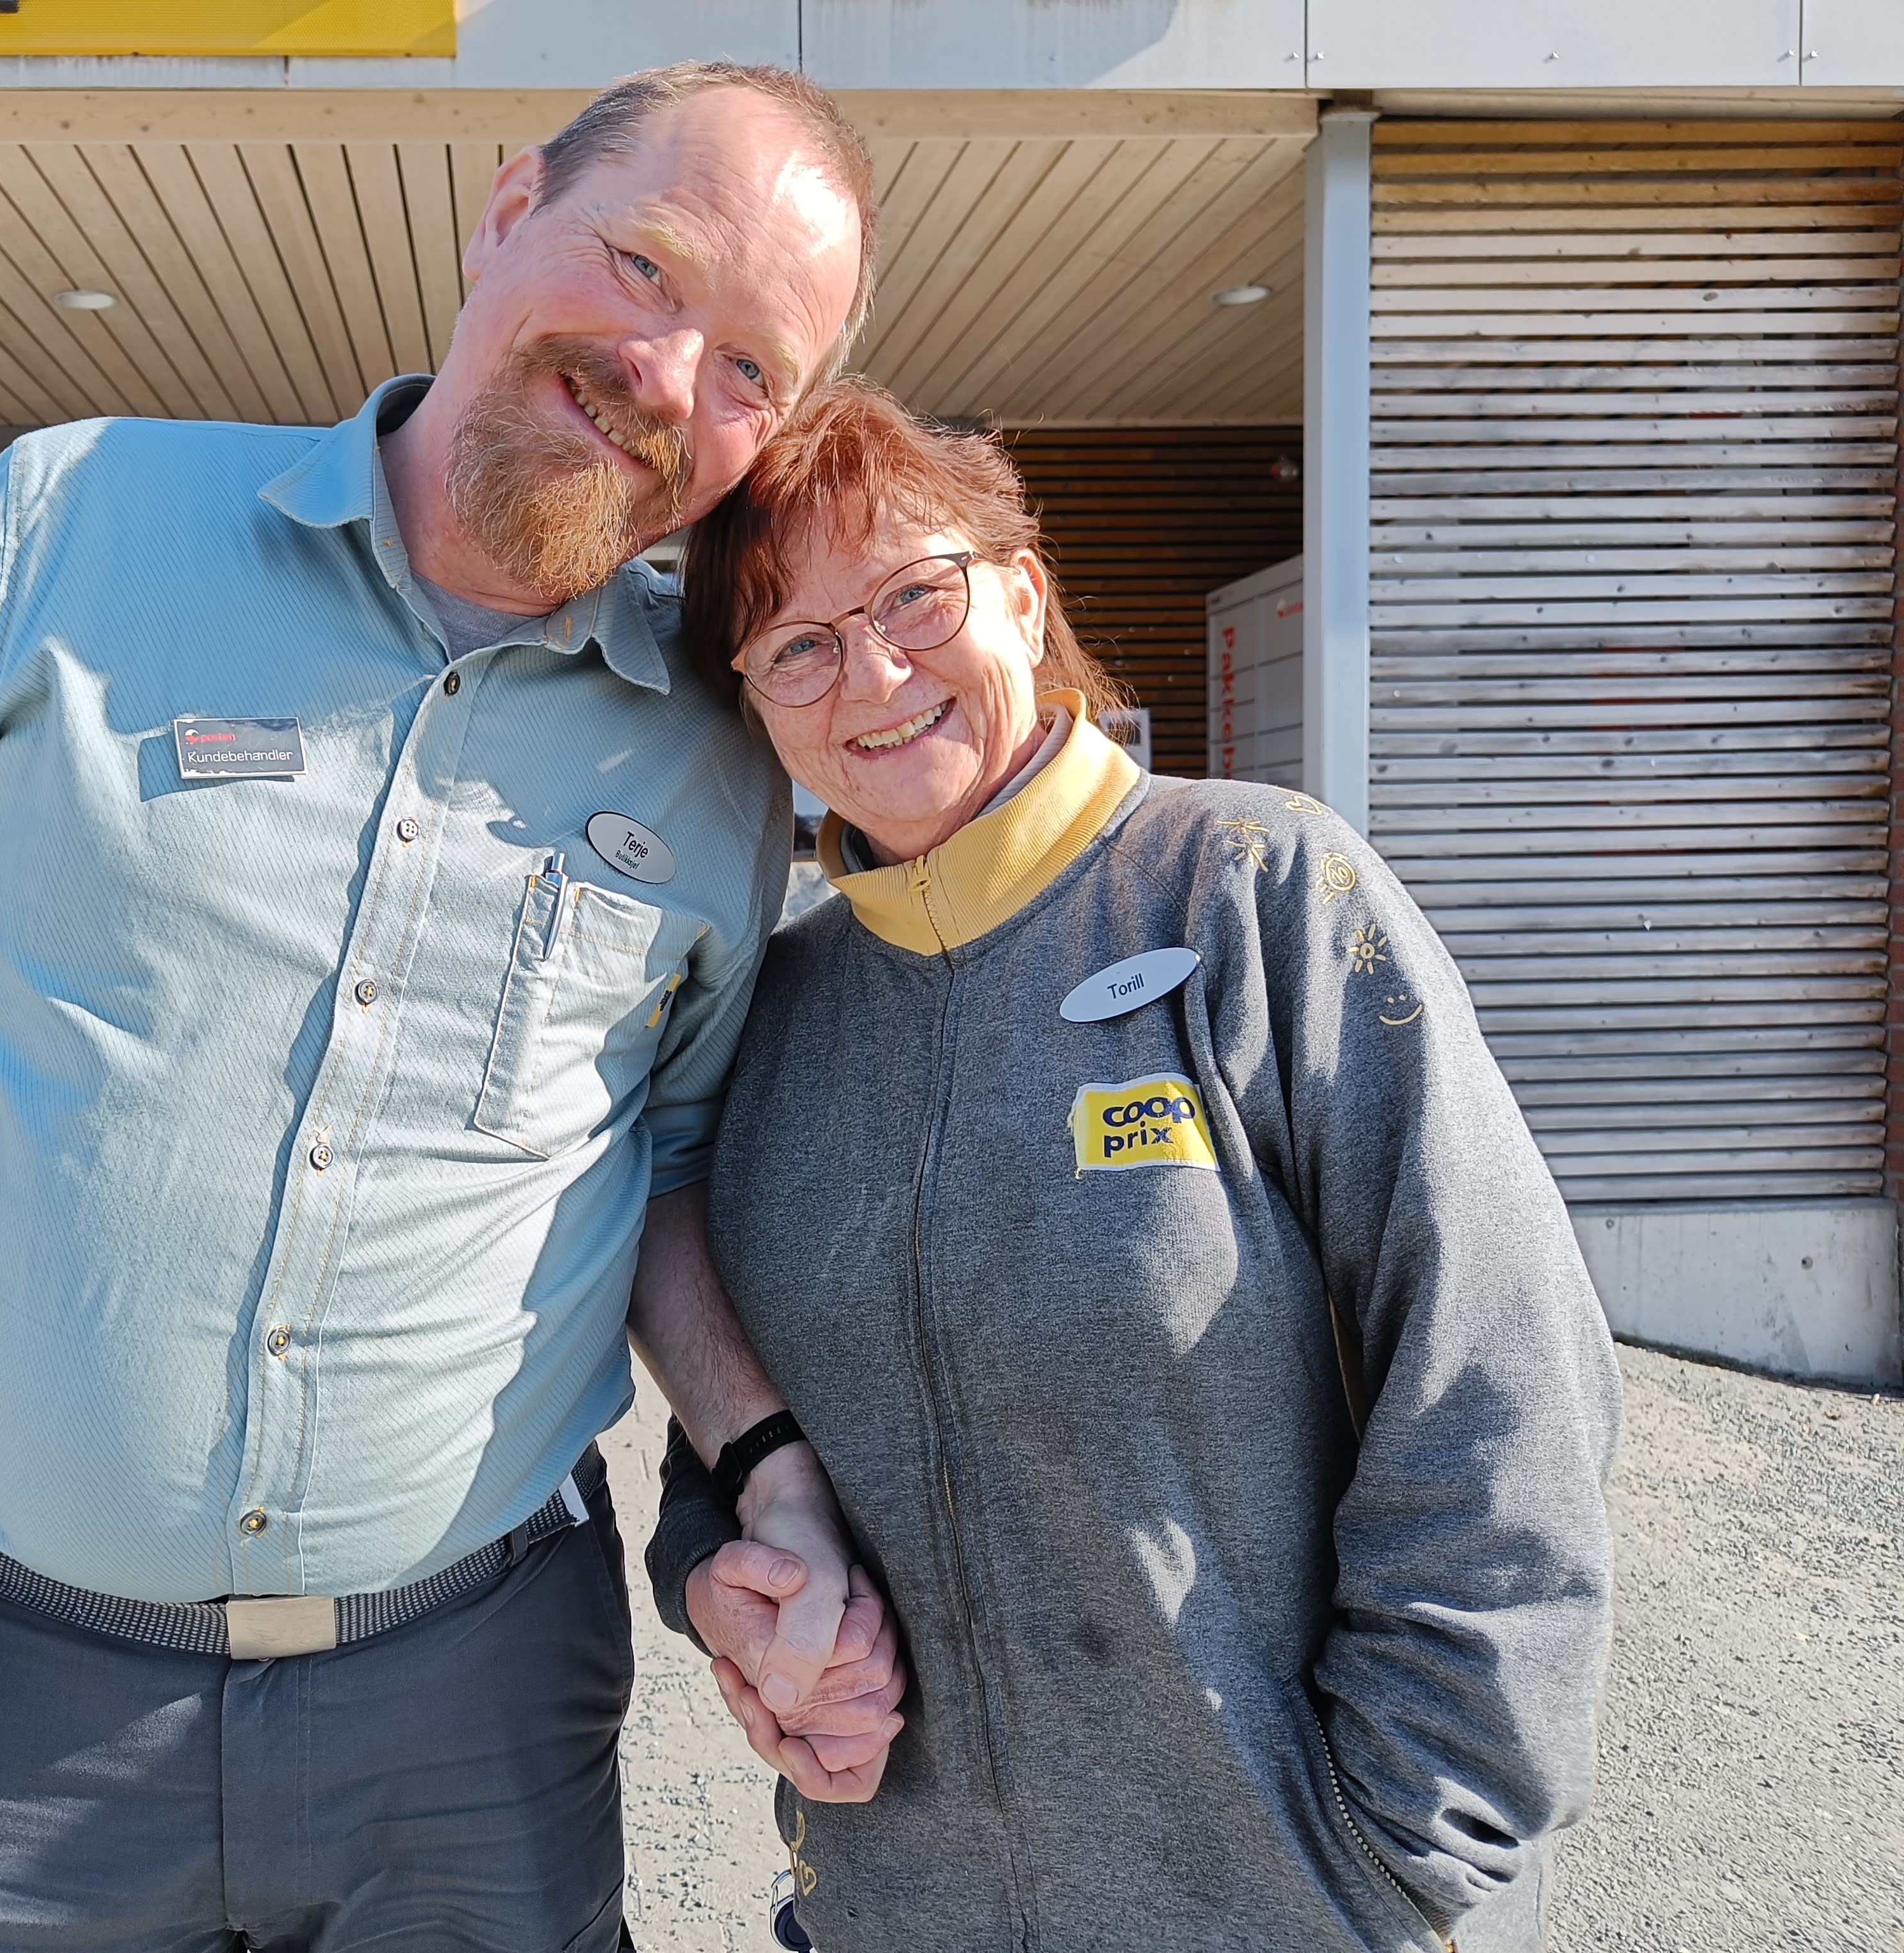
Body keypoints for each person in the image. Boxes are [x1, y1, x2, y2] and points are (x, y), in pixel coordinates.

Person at [0, 64, 886, 1951]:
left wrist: (763, 1463)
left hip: (477, 1714)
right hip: (4, 1706)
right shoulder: (67, 523)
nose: (667, 374)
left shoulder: (716, 757)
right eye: (642, 264)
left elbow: (666, 1175)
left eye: (752, 370)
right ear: (503, 208)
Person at [646, 380, 1623, 1951]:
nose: (874, 674)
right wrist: (724, 1584)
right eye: (796, 645)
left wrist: (1409, 1847)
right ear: (757, 707)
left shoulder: (1254, 892)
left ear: (1022, 596)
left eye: (914, 594)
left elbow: (1497, 1376)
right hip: (901, 1914)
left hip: (1296, 1911)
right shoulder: (784, 1015)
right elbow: (737, 1449)